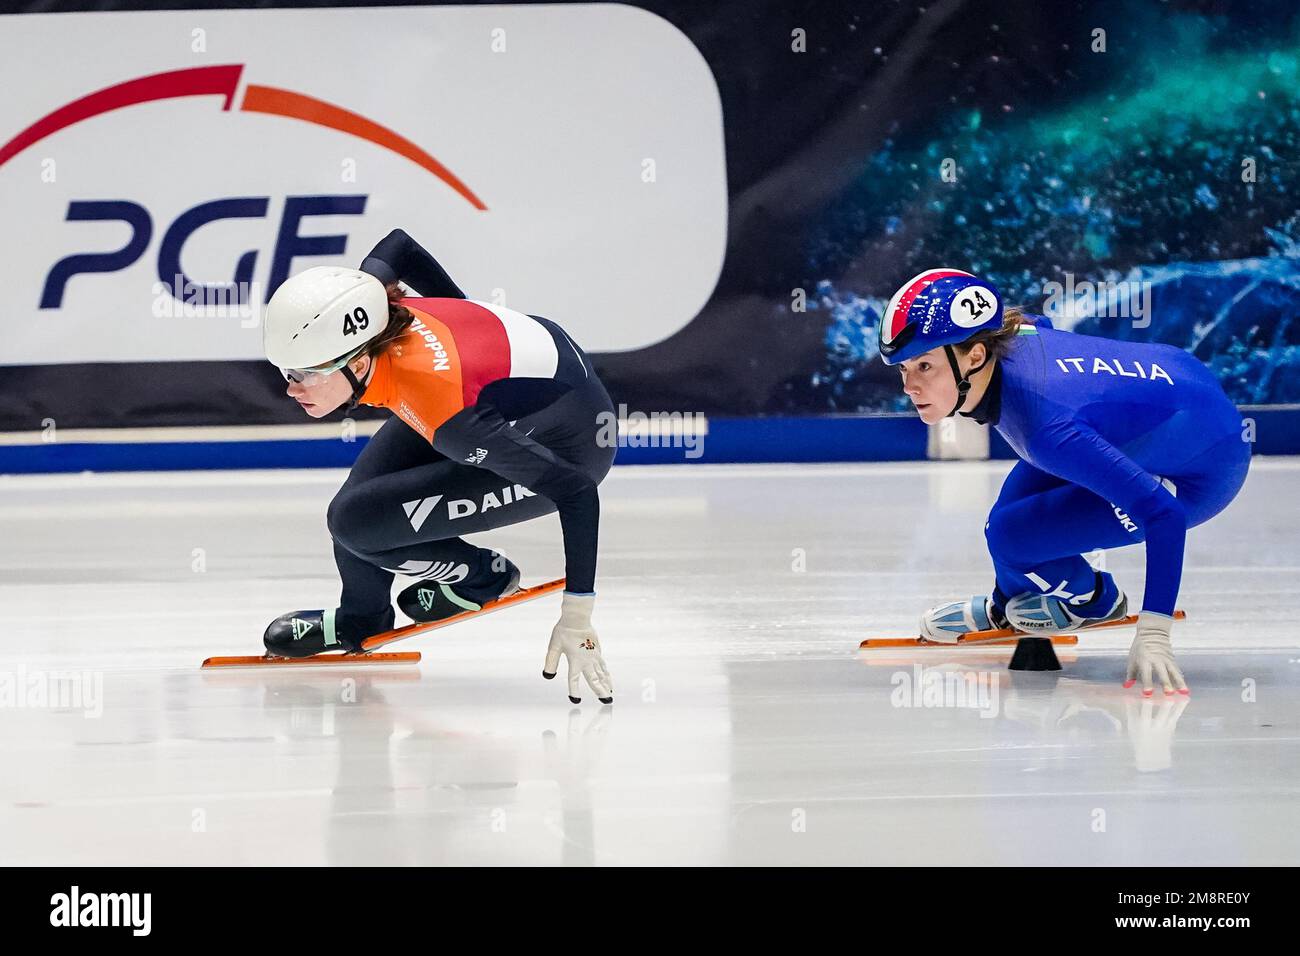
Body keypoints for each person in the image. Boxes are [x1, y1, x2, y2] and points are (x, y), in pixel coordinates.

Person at [259, 229, 615, 703]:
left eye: (304, 373)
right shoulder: (369, 301)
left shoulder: (449, 415)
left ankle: (482, 576)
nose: (291, 388)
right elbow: (398, 246)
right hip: (497, 396)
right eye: (286, 371)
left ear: (359, 362)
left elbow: (577, 491)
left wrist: (578, 616)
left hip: (573, 450)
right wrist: (466, 321)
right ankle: (361, 619)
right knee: (355, 507)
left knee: (356, 522)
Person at [878, 268, 1251, 696]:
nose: (910, 386)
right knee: (1002, 524)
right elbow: (1042, 326)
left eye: (924, 365)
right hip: (1178, 393)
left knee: (1011, 537)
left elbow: (1162, 514)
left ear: (976, 357)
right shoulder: (1015, 340)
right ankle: (1008, 605)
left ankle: (1095, 599)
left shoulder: (1046, 429)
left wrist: (1155, 631)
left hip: (1200, 474)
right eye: (904, 368)